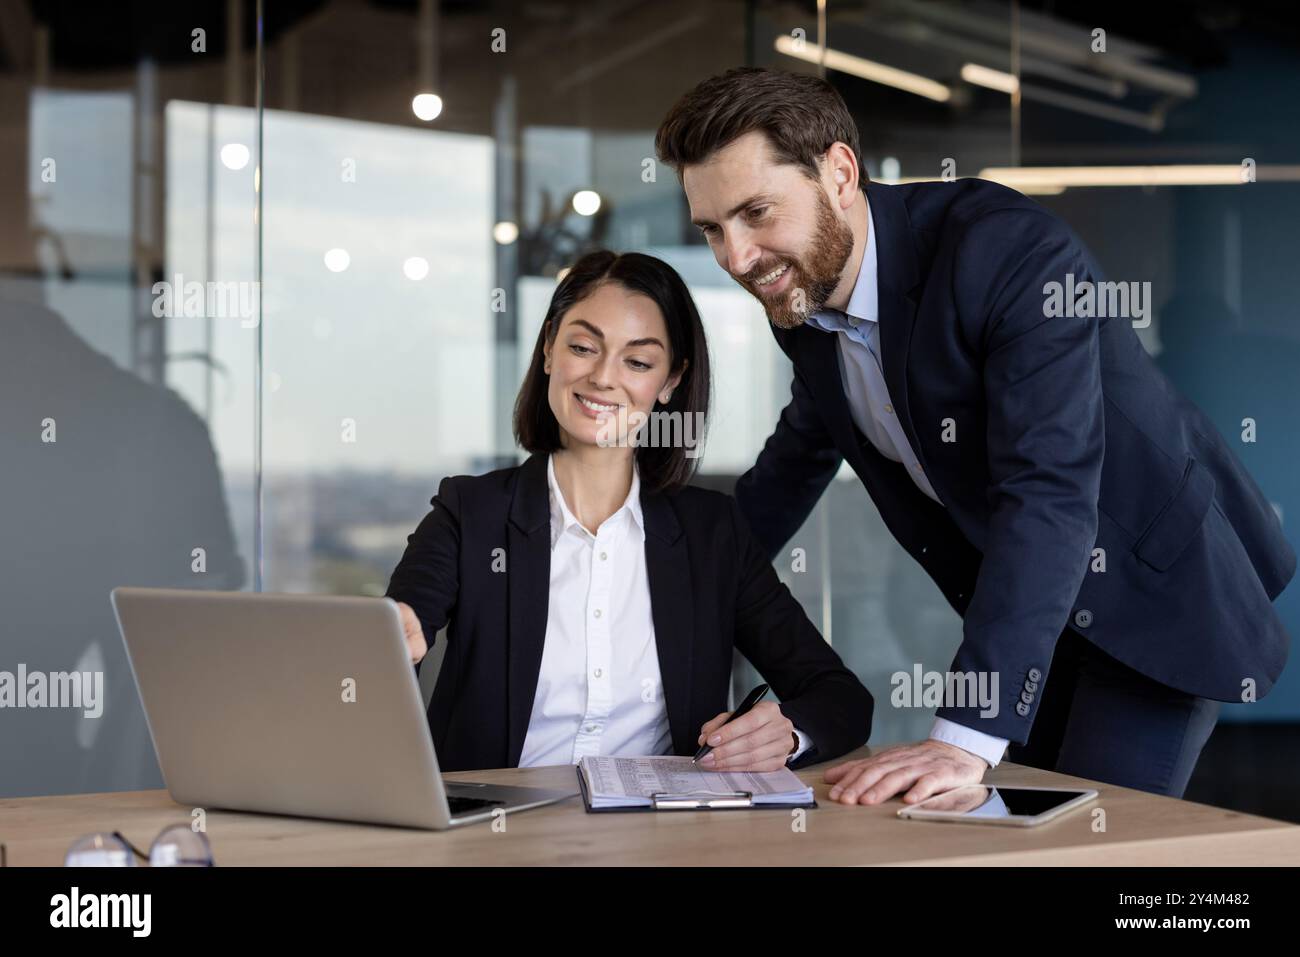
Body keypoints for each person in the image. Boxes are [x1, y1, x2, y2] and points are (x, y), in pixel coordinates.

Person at [653, 67, 1294, 802]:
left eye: (756, 212)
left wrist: (962, 734)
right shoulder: (803, 298)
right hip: (1031, 620)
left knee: (1085, 843)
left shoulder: (1007, 253)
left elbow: (1047, 489)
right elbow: (797, 458)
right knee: (999, 831)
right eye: (711, 228)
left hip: (1151, 593)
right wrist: (672, 579)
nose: (736, 257)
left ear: (838, 172)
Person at [385, 249, 873, 772]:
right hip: (496, 837)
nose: (602, 377)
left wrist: (788, 734)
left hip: (663, 838)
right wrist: (396, 634)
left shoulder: (712, 534)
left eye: (637, 361)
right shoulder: (469, 512)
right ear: (549, 348)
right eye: (582, 346)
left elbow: (840, 698)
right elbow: (396, 637)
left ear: (669, 383)